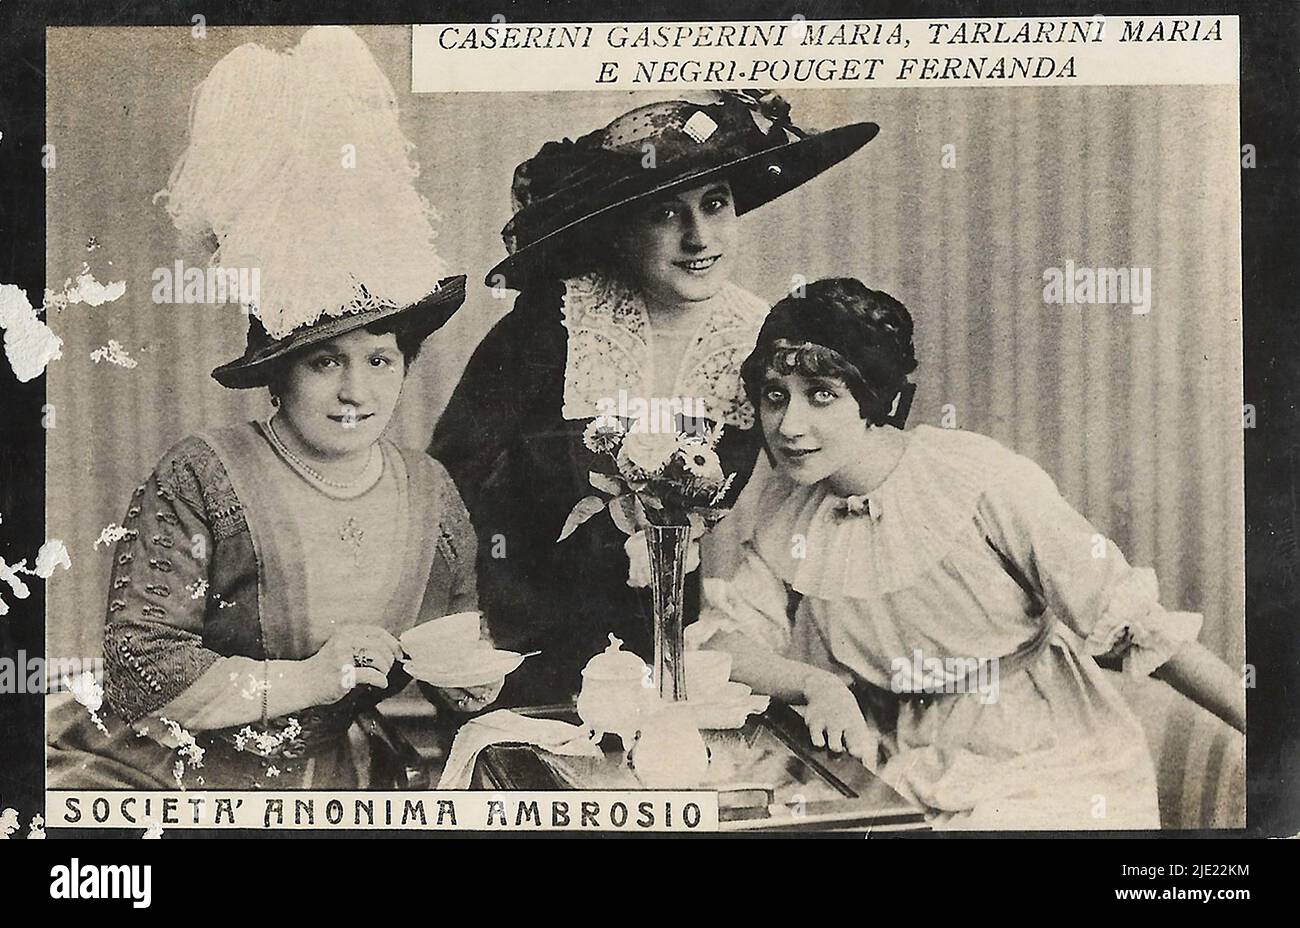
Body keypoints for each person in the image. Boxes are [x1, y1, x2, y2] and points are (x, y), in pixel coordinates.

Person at [48, 27, 500, 789]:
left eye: (380, 359)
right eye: (325, 360)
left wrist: (467, 683)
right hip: (175, 778)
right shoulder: (204, 474)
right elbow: (140, 670)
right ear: (279, 375)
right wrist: (312, 679)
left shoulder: (430, 492)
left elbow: (445, 645)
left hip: (335, 782)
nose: (358, 390)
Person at [693, 278, 1245, 829]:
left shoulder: (975, 478)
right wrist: (816, 684)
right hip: (900, 765)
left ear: (872, 397)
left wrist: (1272, 736)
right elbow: (726, 641)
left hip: (1043, 759)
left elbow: (1143, 630)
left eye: (821, 395)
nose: (789, 426)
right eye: (775, 396)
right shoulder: (791, 501)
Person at [431, 91, 878, 705]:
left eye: (715, 204)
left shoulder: (764, 345)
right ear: (620, 226)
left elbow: (822, 470)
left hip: (674, 665)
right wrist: (455, 648)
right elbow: (446, 490)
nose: (699, 237)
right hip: (518, 662)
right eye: (667, 214)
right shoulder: (553, 324)